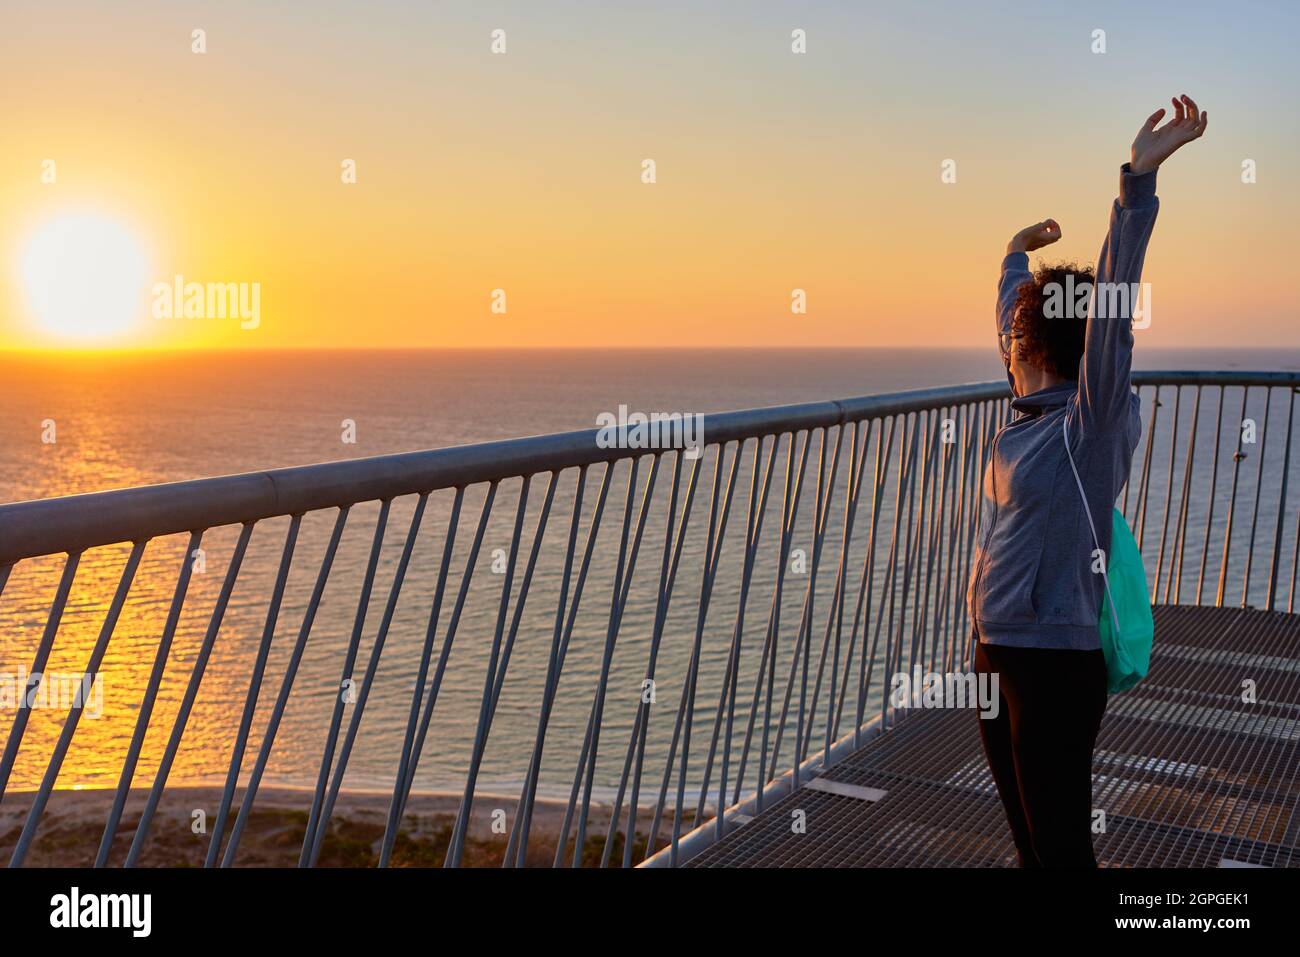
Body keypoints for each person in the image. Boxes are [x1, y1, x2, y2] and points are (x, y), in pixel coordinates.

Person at [968, 96, 1209, 867]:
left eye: (1017, 338)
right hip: (993, 651)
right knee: (1031, 844)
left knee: (1064, 845)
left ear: (1041, 350)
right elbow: (1011, 309)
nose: (1008, 345)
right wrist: (1013, 251)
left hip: (1054, 662)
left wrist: (1136, 183)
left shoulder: (1088, 424)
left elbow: (1109, 318)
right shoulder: (1027, 411)